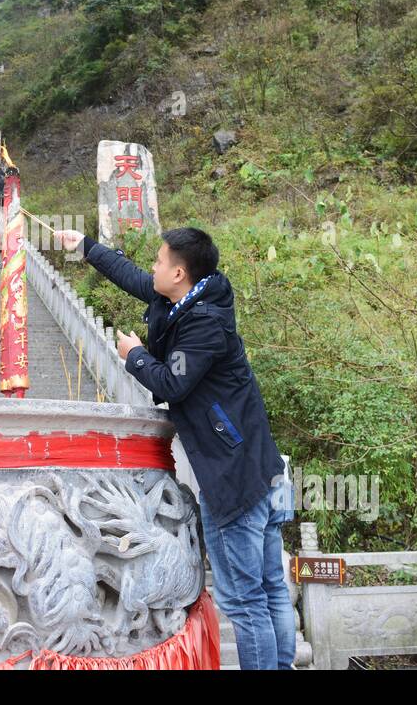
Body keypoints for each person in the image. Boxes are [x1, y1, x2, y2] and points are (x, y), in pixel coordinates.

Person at [55, 226, 295, 670]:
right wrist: (86, 248)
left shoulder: (203, 324)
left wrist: (135, 355)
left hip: (234, 477)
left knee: (245, 602)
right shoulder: (193, 298)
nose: (153, 267)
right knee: (271, 588)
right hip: (262, 467)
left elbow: (173, 383)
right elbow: (137, 279)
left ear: (180, 272)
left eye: (160, 261)